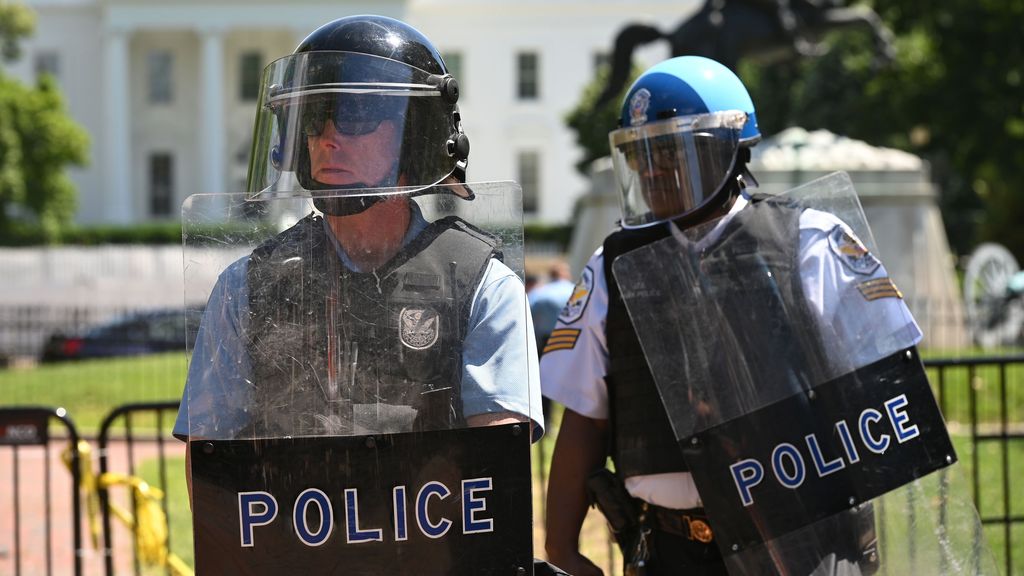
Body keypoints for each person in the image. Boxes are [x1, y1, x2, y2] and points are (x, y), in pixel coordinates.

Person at [541, 55, 922, 575]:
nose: (650, 169)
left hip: (800, 543)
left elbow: (884, 387)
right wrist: (561, 547)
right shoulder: (615, 265)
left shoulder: (808, 240)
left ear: (728, 148)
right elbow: (586, 414)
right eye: (640, 156)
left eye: (670, 150)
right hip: (670, 549)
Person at [173, 14, 543, 447]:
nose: (327, 139)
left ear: (415, 134)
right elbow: (211, 463)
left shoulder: (482, 284)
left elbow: (497, 471)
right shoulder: (247, 286)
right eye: (312, 118)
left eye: (354, 115)